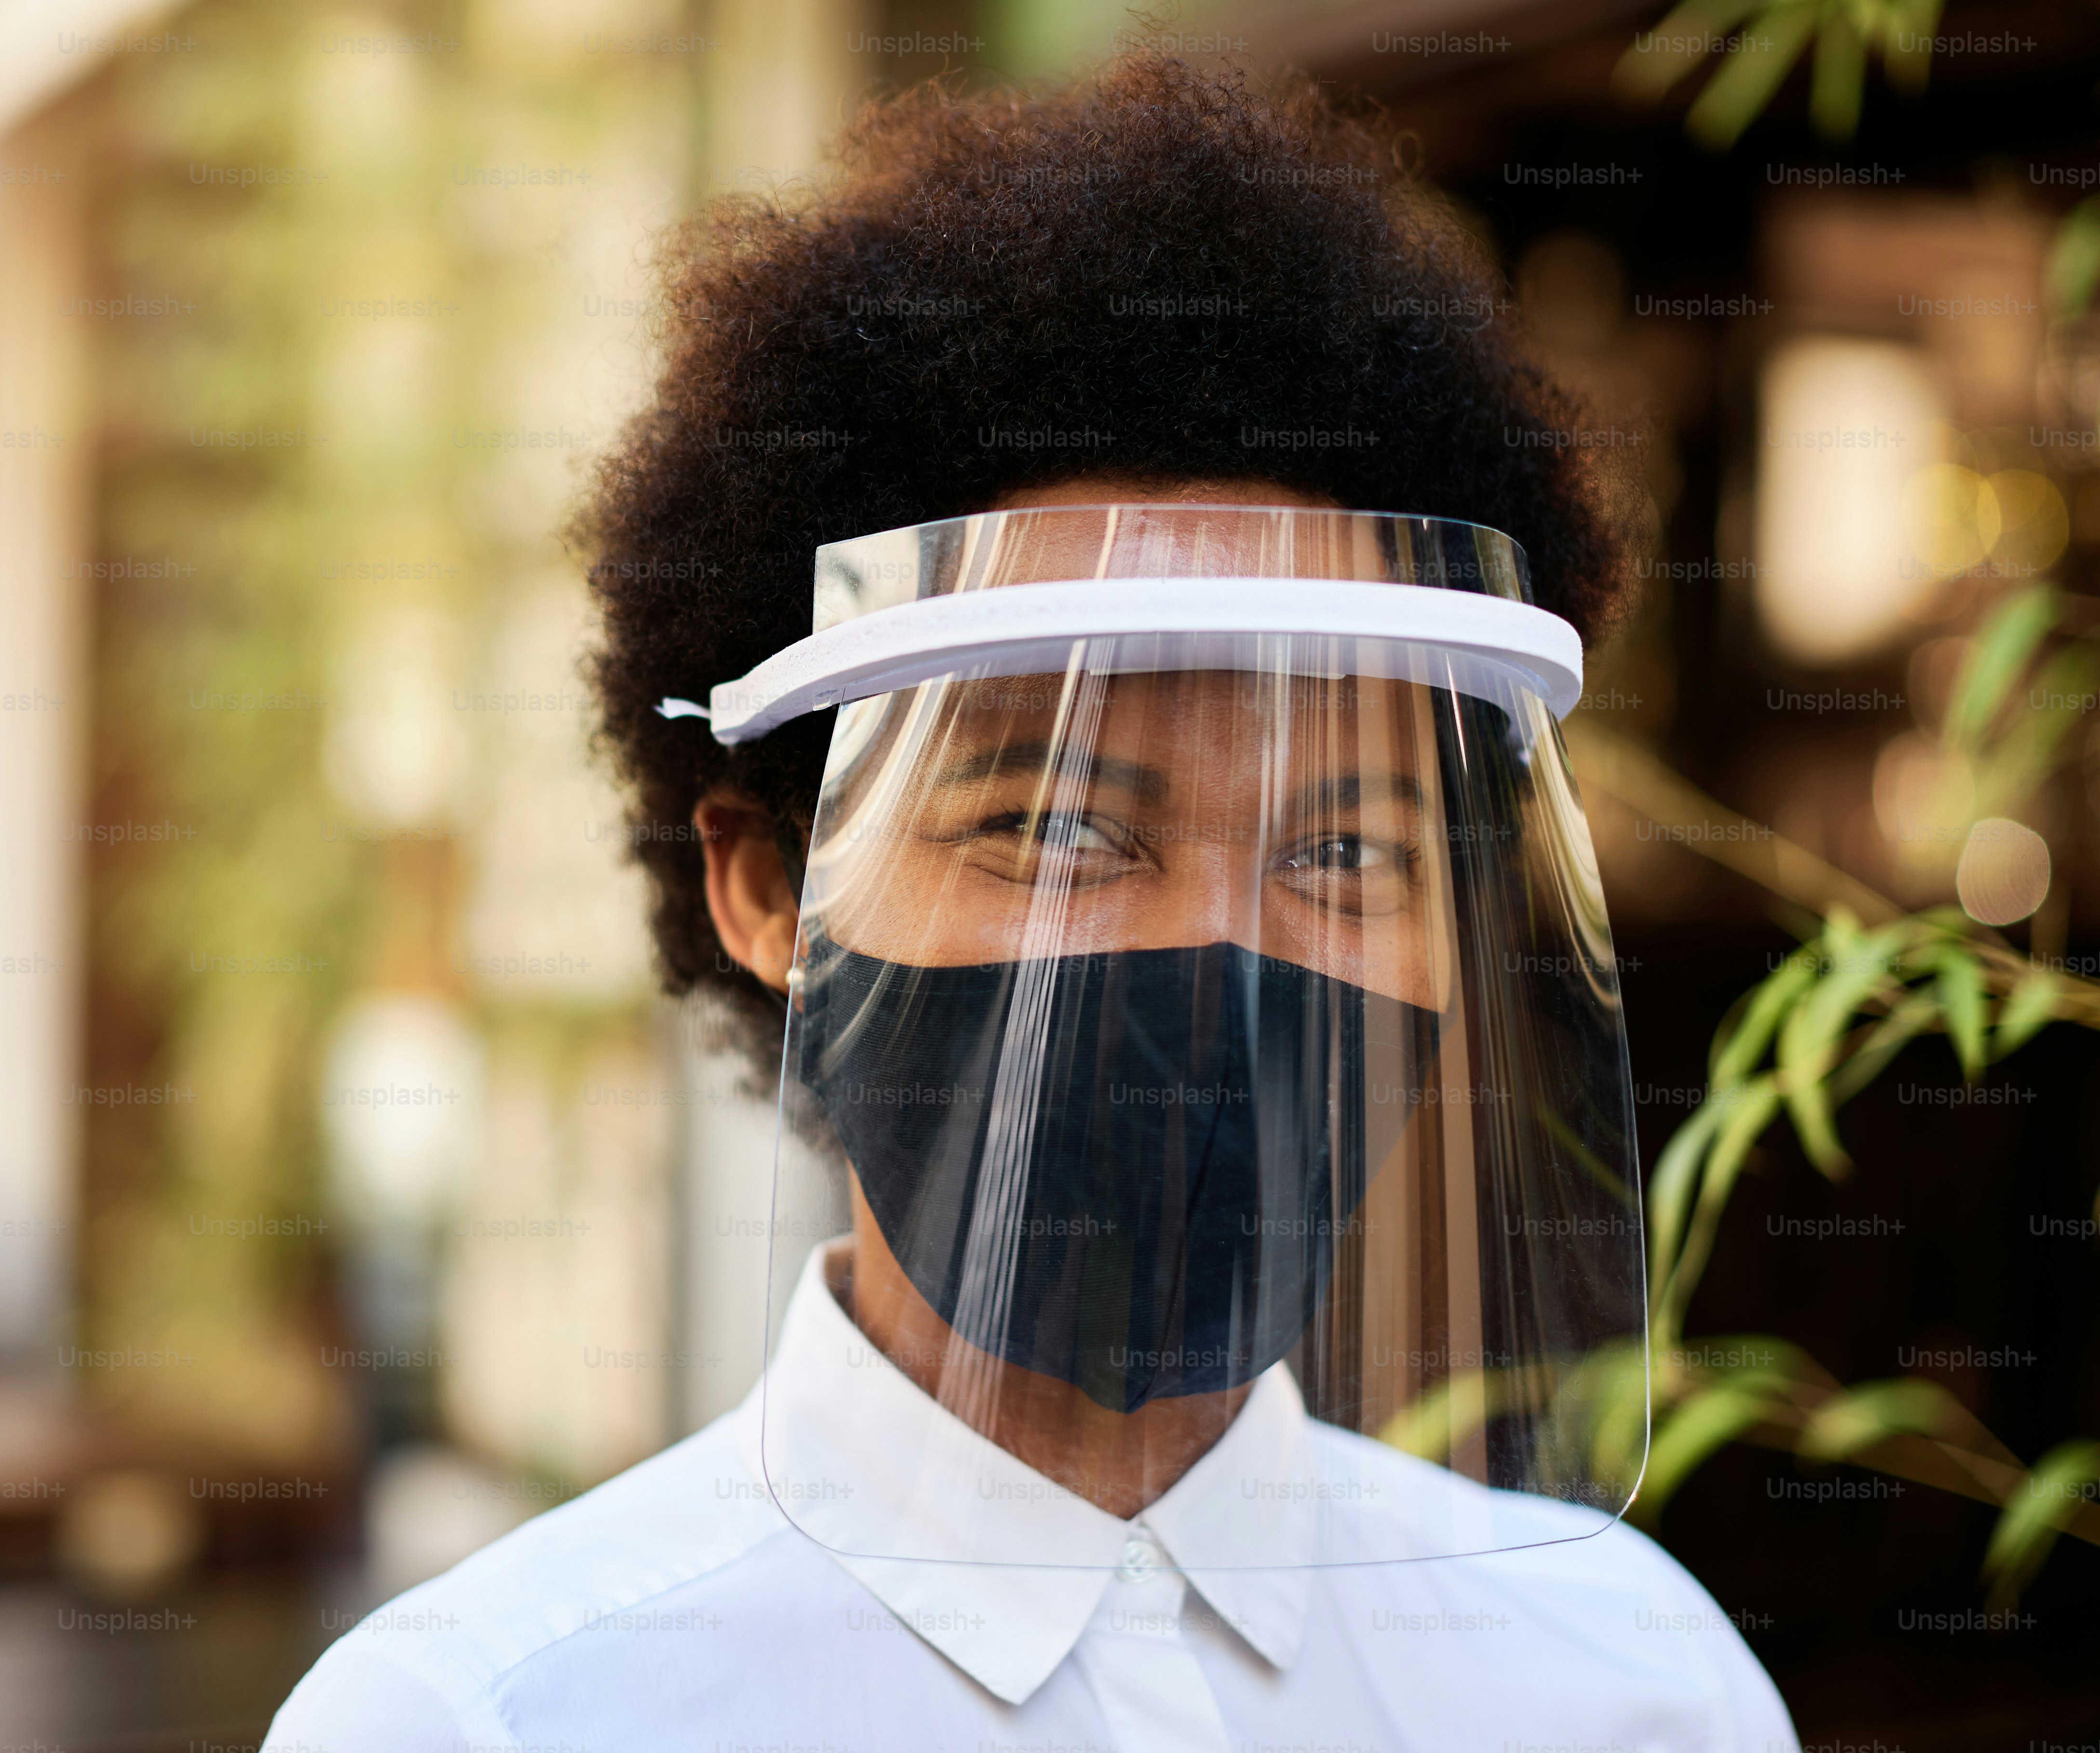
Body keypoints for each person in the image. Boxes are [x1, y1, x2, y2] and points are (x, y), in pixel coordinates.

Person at [271, 52, 1798, 1752]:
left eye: (1345, 852)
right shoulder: (504, 1716)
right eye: (1062, 829)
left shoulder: (1632, 1689)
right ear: (771, 887)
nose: (1225, 960)